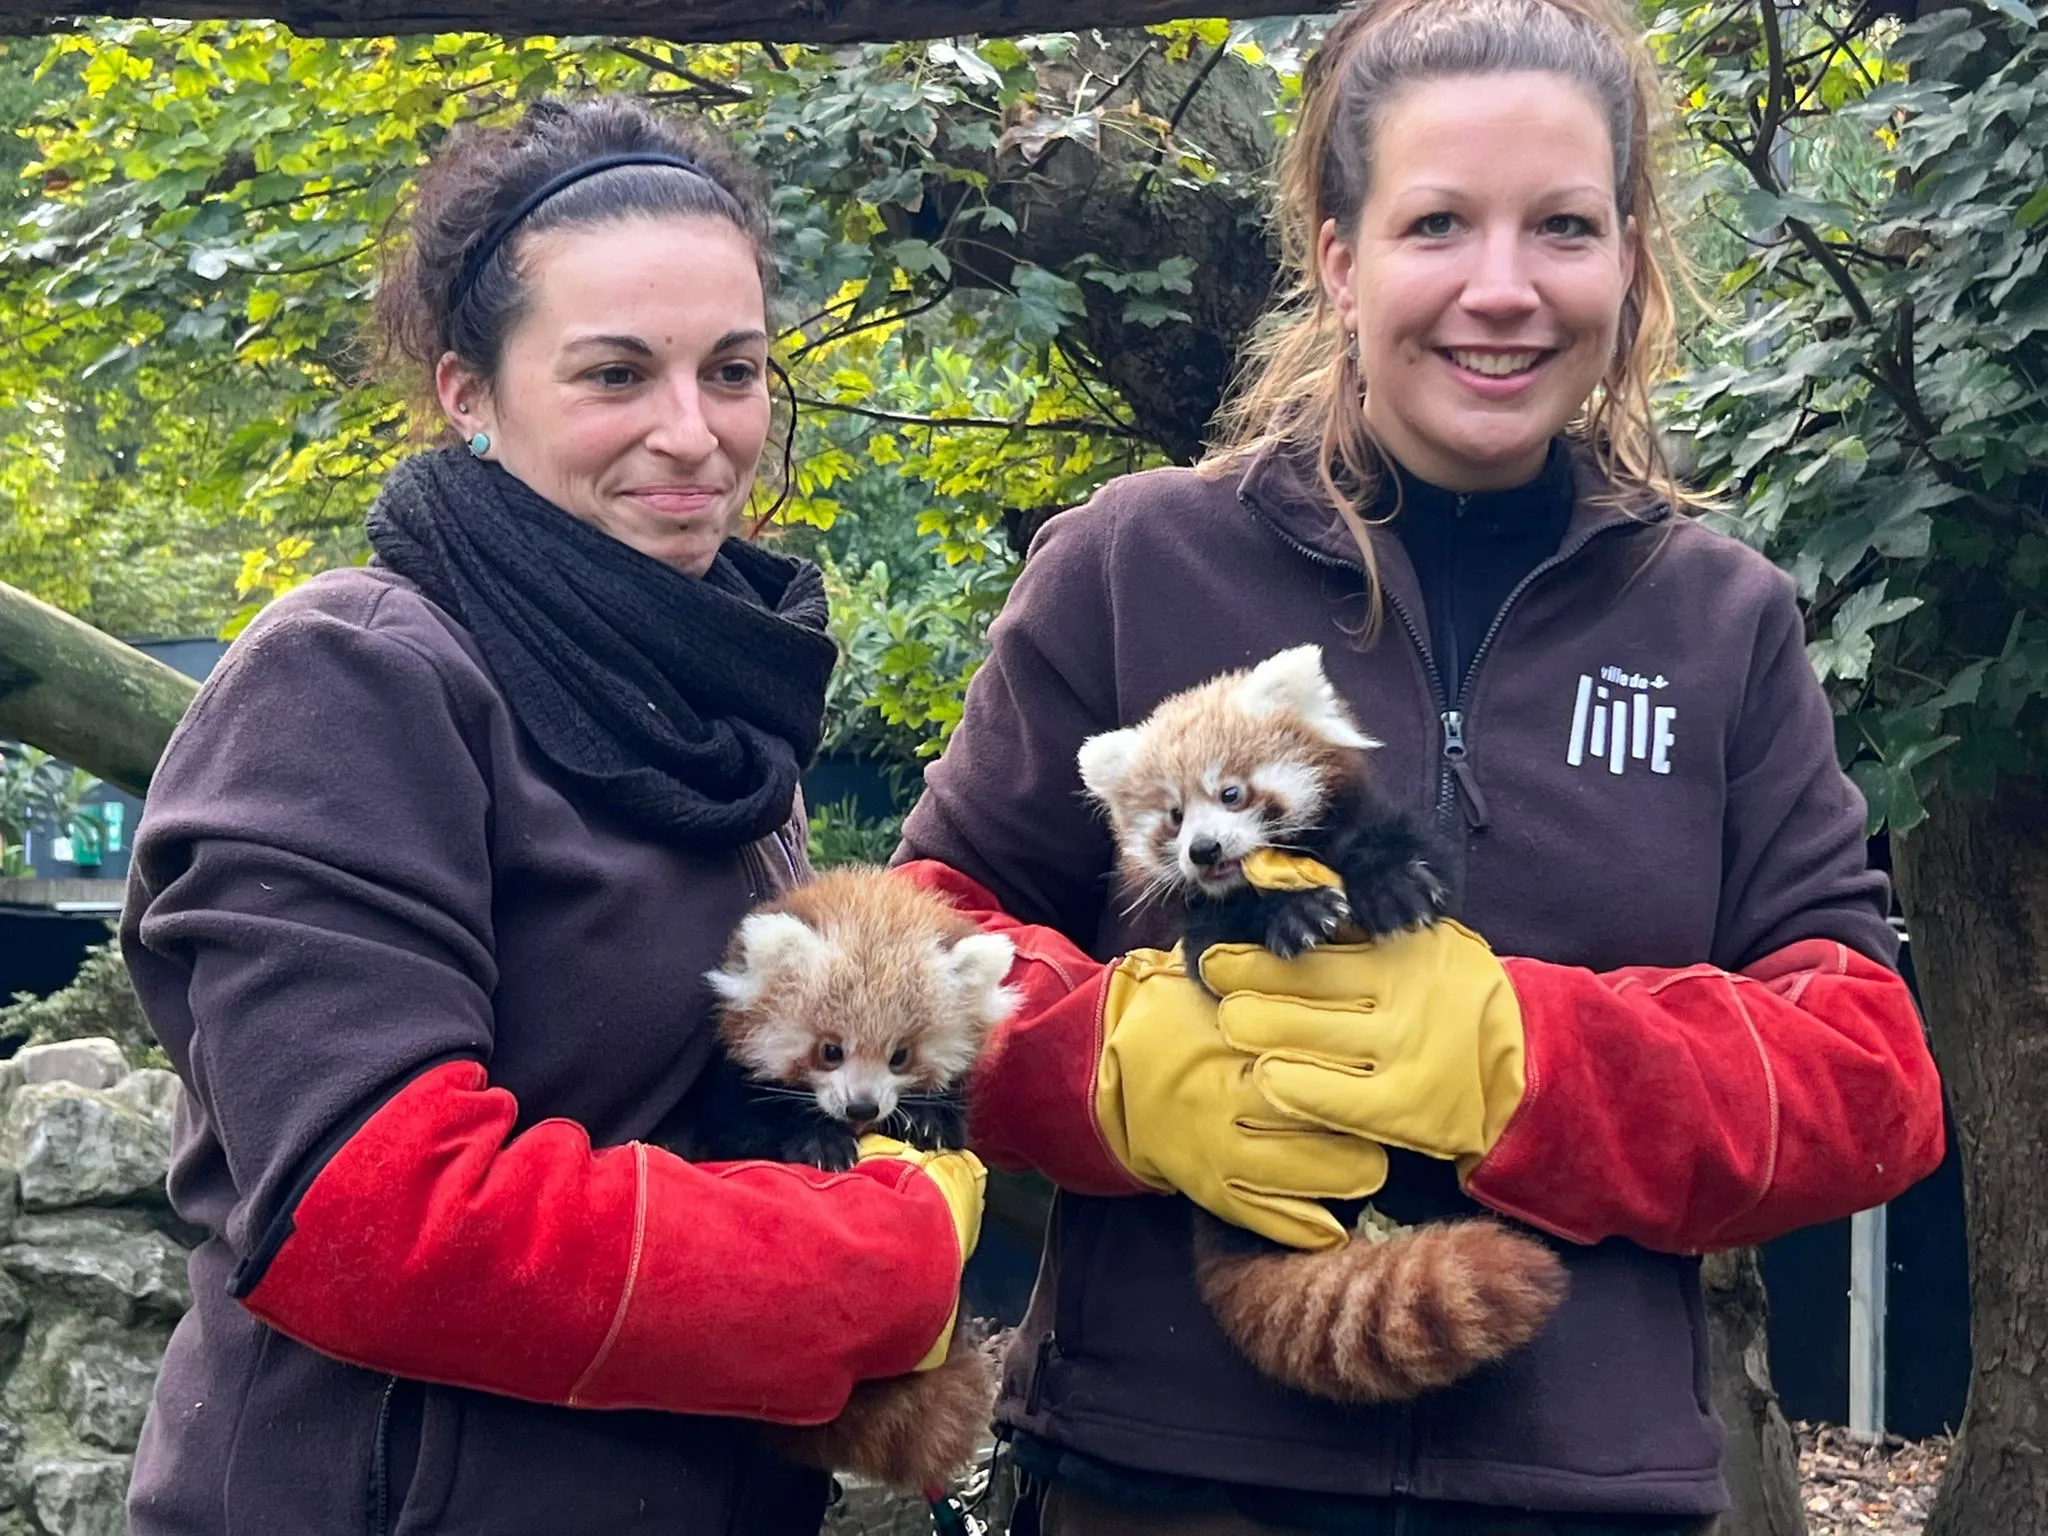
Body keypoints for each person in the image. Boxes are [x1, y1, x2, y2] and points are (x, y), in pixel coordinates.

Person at [893, 1, 1948, 1532]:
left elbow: (1869, 1078)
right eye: (1439, 222)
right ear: (1338, 253)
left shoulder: (1722, 621)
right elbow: (916, 942)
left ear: (1630, 258)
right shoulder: (1131, 565)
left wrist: (1536, 1062)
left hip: (1582, 1486)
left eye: (1565, 227)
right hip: (1157, 1475)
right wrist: (1103, 1071)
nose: (1503, 290)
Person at [118, 98, 988, 1535]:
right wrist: (860, 1262)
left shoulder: (708, 705)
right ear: (470, 393)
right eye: (614, 374)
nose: (693, 433)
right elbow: (366, 1211)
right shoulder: (354, 678)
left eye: (734, 370)